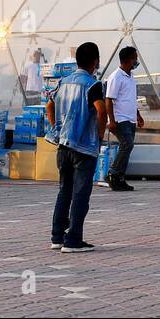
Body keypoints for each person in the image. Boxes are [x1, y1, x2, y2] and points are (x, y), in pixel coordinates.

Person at [45, 41, 106, 252]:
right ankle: (73, 239)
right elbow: (101, 109)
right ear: (95, 61)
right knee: (81, 193)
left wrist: (56, 127)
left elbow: (49, 104)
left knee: (65, 190)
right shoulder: (93, 84)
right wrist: (99, 135)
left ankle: (57, 236)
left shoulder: (64, 81)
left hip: (63, 144)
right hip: (83, 146)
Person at [103, 46, 143, 191]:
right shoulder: (116, 77)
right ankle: (113, 173)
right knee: (127, 145)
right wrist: (111, 120)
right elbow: (108, 99)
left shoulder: (130, 76)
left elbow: (130, 99)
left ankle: (119, 177)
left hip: (130, 118)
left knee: (127, 146)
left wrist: (138, 115)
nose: (136, 61)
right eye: (134, 58)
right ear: (127, 60)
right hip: (120, 119)